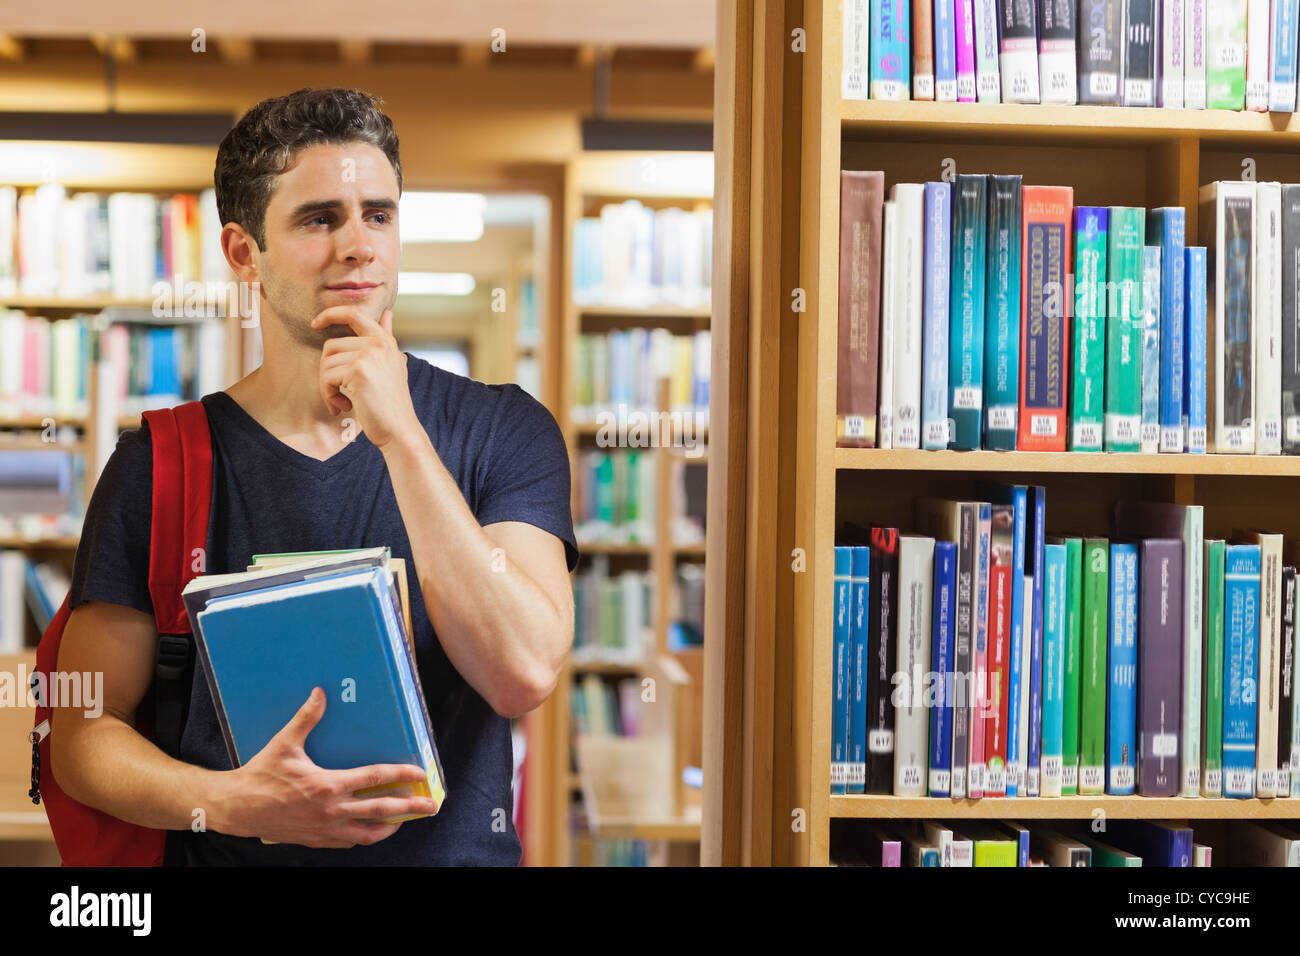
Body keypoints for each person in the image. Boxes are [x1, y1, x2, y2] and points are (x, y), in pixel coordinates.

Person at [52, 88, 578, 865]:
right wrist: (231, 803)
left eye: (379, 214)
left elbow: (522, 671)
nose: (359, 245)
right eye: (319, 218)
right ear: (243, 252)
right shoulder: (162, 461)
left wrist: (399, 433)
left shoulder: (503, 430)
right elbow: (85, 733)